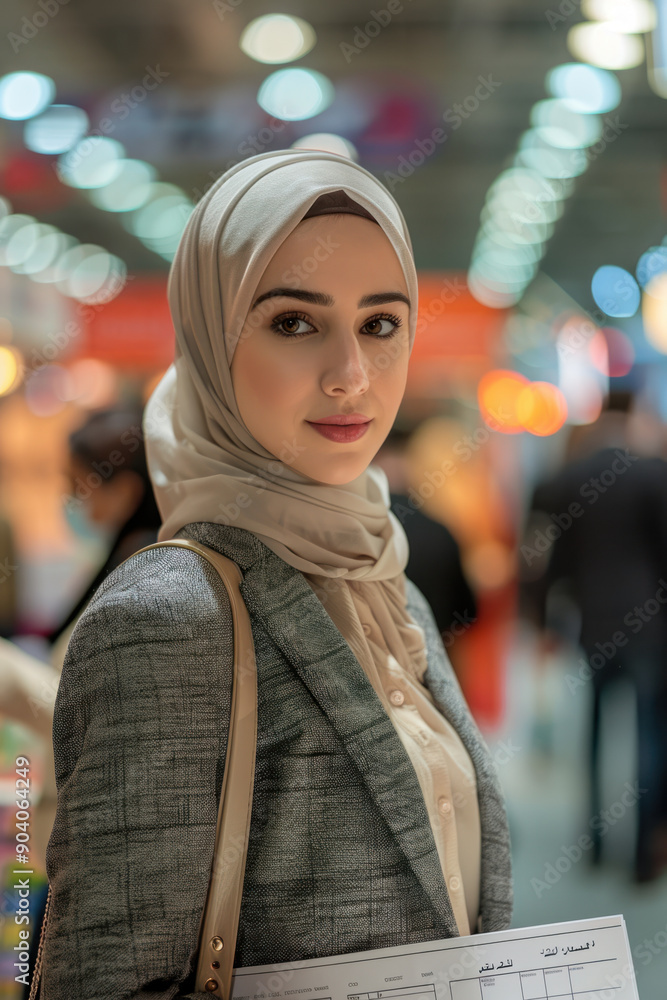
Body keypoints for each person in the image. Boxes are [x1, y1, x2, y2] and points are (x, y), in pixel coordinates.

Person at [39, 150, 512, 999]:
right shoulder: (168, 620)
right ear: (211, 338)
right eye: (294, 322)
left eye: (380, 323)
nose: (350, 375)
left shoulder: (381, 580)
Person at [0, 404, 161, 998]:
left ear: (124, 487)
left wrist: (11, 677)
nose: (72, 504)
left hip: (97, 858)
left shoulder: (150, 570)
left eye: (79, 487)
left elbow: (102, 710)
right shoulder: (130, 558)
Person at [523, 390, 667, 882]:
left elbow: (548, 562)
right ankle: (644, 855)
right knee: (649, 734)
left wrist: (543, 623)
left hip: (594, 627)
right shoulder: (653, 475)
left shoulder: (568, 478)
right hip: (649, 628)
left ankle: (596, 844)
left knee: (595, 734)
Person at [373, 425, 478, 675]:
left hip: (376, 666)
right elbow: (466, 612)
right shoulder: (441, 529)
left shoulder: (355, 531)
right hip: (435, 665)